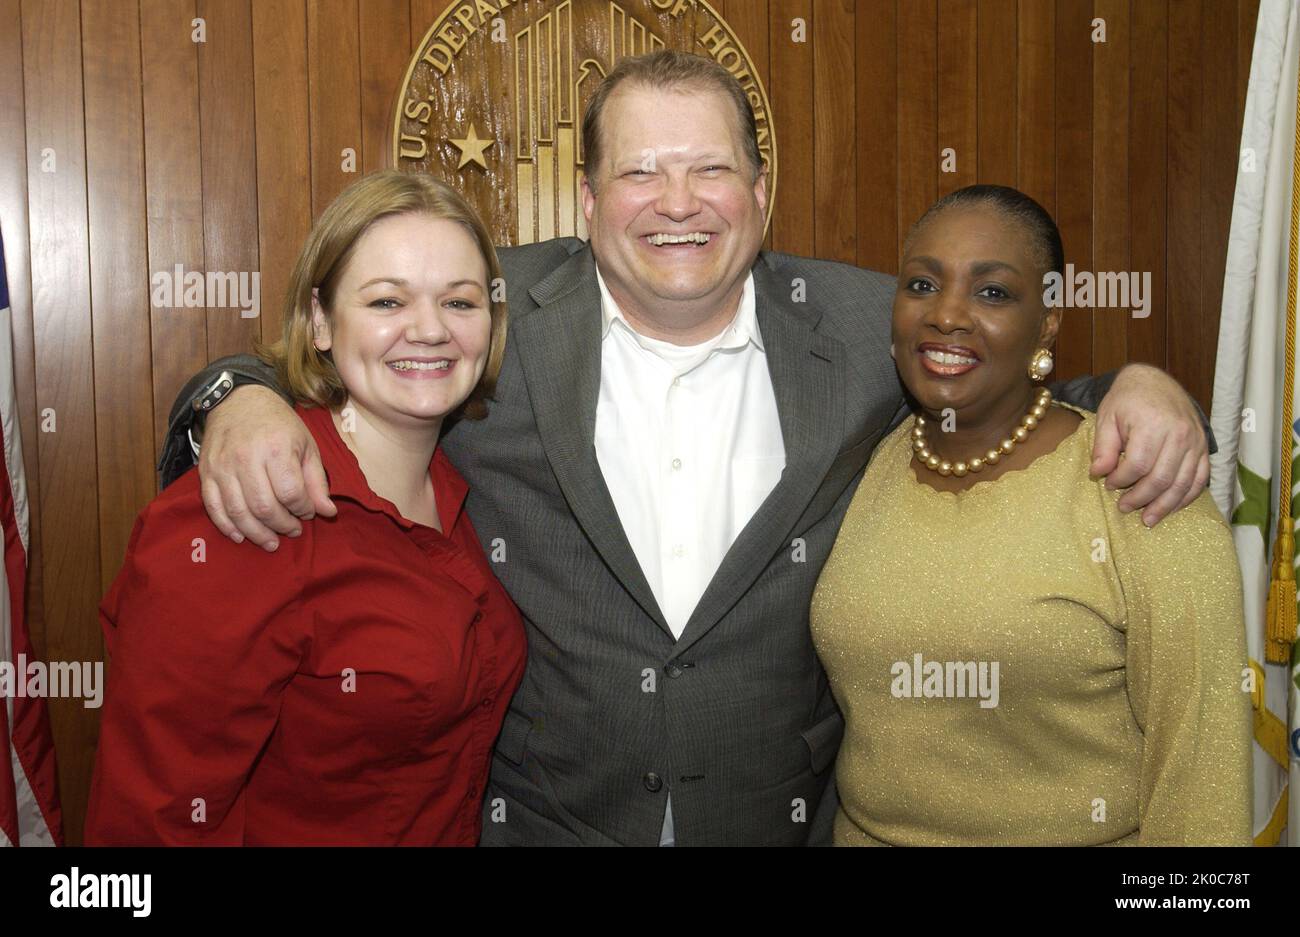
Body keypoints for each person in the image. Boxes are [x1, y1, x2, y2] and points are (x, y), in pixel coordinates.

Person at [160, 52, 1214, 846]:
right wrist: (233, 400)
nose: (676, 203)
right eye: (640, 173)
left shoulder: (857, 324)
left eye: (711, 169)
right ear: (584, 202)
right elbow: (331, 350)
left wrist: (1138, 387)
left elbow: (992, 375)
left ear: (761, 193)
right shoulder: (485, 316)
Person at [85, 171, 525, 845]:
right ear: (320, 320)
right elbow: (151, 822)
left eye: (460, 303)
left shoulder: (457, 488)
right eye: (386, 301)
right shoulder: (248, 510)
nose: (431, 329)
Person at [811, 185, 1252, 846]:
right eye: (923, 284)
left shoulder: (1144, 485)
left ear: (1047, 323)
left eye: (993, 293)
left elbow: (1202, 785)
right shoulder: (862, 458)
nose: (948, 315)